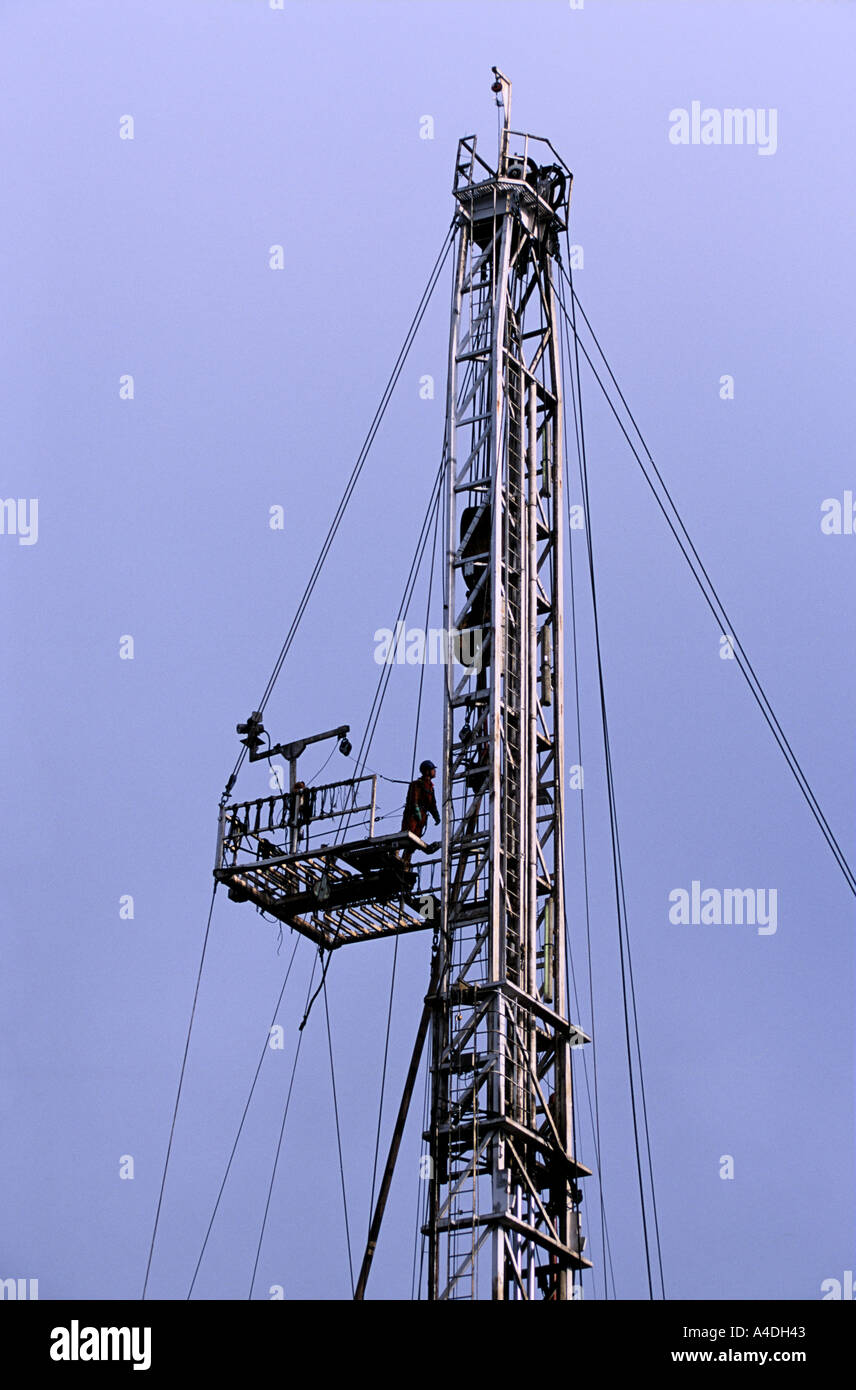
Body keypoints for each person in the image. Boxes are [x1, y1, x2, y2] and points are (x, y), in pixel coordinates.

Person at [400, 759, 440, 864]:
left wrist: (436, 815)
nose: (434, 772)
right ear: (427, 771)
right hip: (413, 814)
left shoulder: (430, 787)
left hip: (422, 816)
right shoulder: (417, 784)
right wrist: (416, 809)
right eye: (433, 770)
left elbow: (432, 804)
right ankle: (395, 851)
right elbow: (413, 798)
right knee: (407, 833)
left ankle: (406, 860)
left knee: (415, 839)